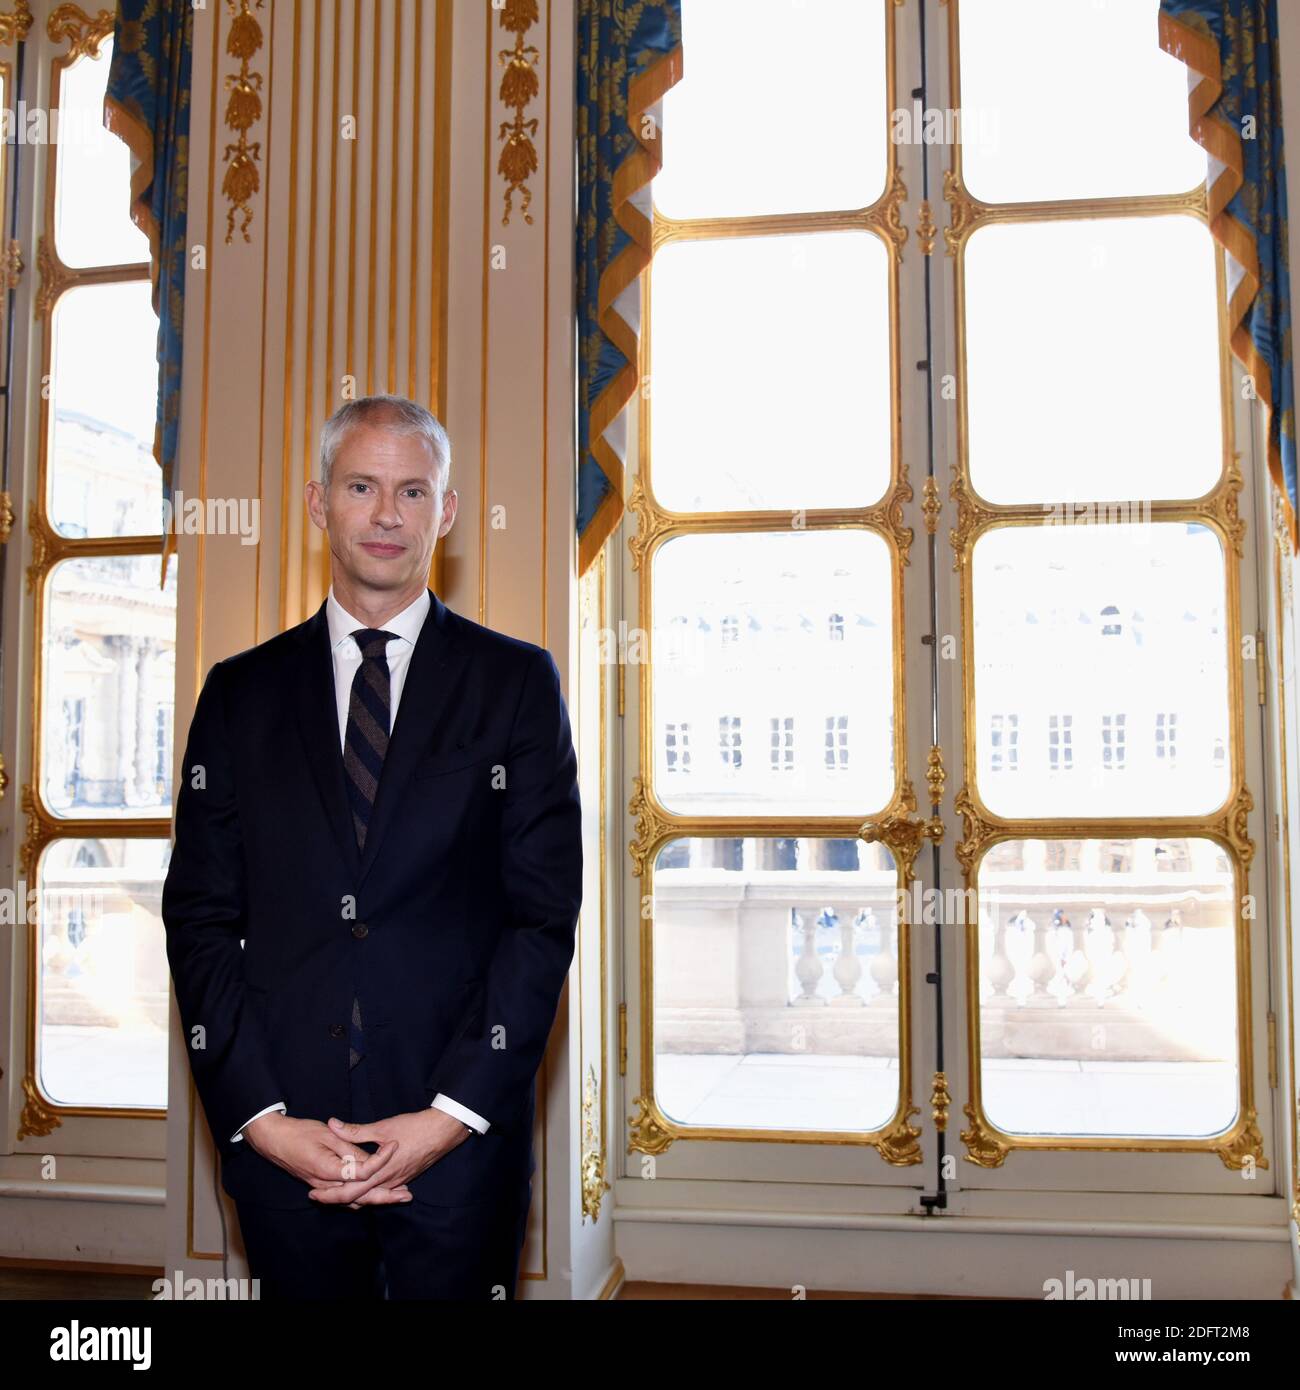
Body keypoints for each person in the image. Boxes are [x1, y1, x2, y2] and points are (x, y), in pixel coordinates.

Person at [162, 394, 582, 1299]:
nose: (388, 515)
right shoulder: (238, 696)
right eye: (362, 486)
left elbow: (541, 919)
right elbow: (199, 917)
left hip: (456, 1144)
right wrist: (263, 1118)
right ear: (319, 504)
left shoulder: (515, 684)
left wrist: (448, 1117)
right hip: (286, 1140)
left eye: (413, 491)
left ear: (447, 511)